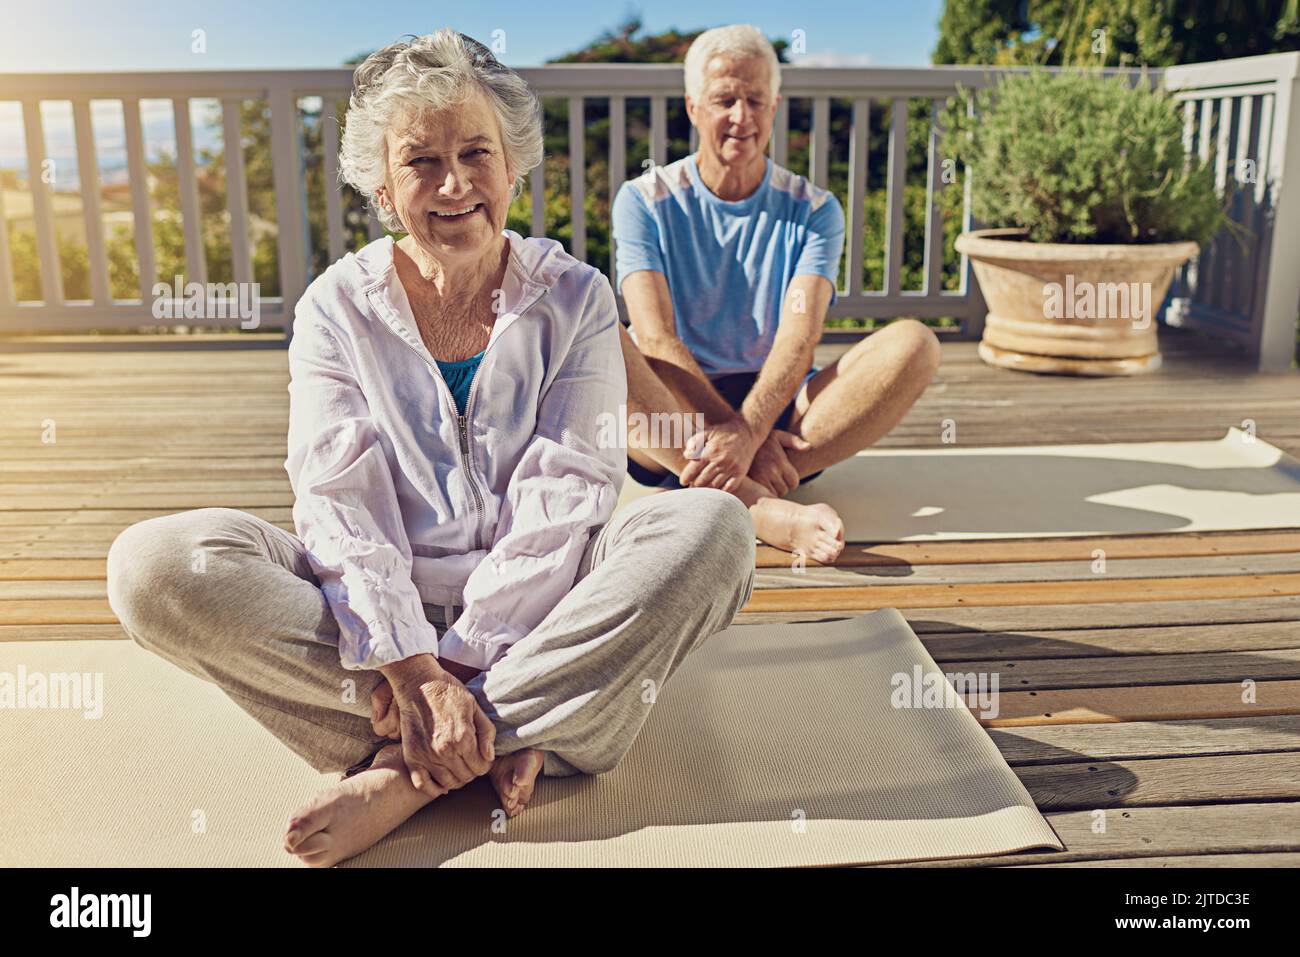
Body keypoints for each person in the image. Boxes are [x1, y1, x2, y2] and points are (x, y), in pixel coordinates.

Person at [106, 29, 755, 868]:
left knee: (713, 531)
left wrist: (461, 672)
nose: (456, 185)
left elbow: (568, 497)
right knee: (151, 567)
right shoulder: (334, 308)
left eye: (476, 152)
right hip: (375, 629)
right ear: (381, 189)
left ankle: (410, 774)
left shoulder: (577, 298)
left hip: (548, 609)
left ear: (513, 165)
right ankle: (531, 733)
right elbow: (340, 502)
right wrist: (413, 670)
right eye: (420, 162)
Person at [613, 24, 942, 565]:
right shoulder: (643, 201)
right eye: (725, 100)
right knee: (600, 333)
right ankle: (757, 507)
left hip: (780, 415)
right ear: (694, 107)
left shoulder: (814, 210)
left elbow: (799, 338)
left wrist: (750, 430)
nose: (742, 116)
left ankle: (727, 484)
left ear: (774, 107)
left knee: (916, 343)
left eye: (755, 101)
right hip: (673, 412)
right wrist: (735, 432)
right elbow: (654, 333)